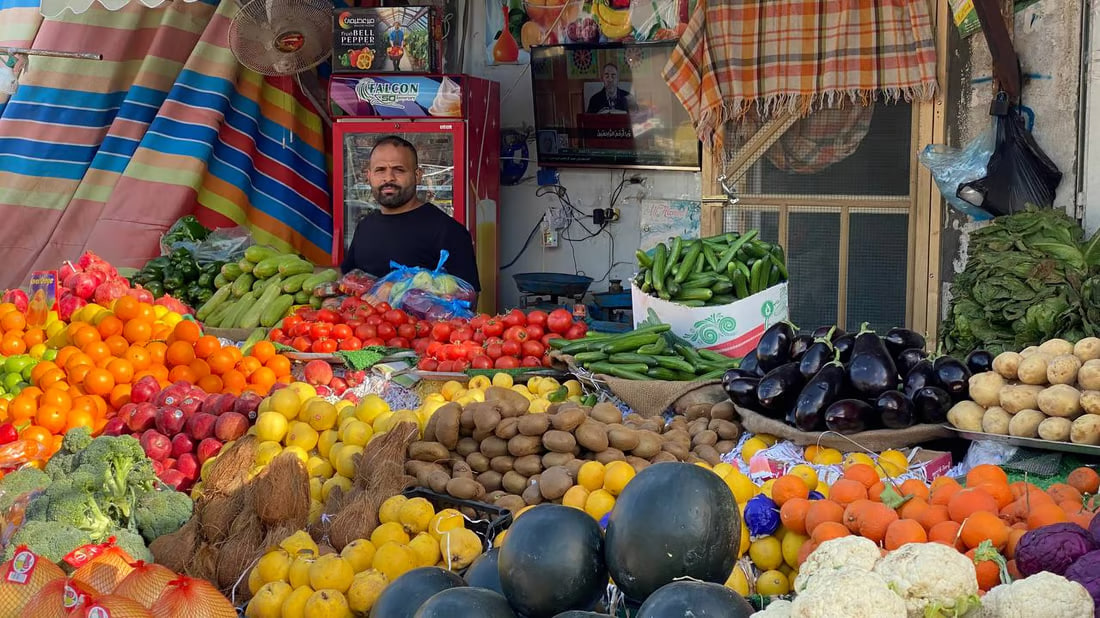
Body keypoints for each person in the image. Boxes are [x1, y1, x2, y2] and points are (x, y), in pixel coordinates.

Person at [342, 135, 481, 299]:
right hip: (366, 323)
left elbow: (468, 299)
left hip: (421, 325)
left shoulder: (447, 230)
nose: (389, 178)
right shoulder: (365, 227)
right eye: (380, 170)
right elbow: (348, 282)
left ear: (417, 175)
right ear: (369, 175)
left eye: (399, 170)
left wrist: (409, 295)